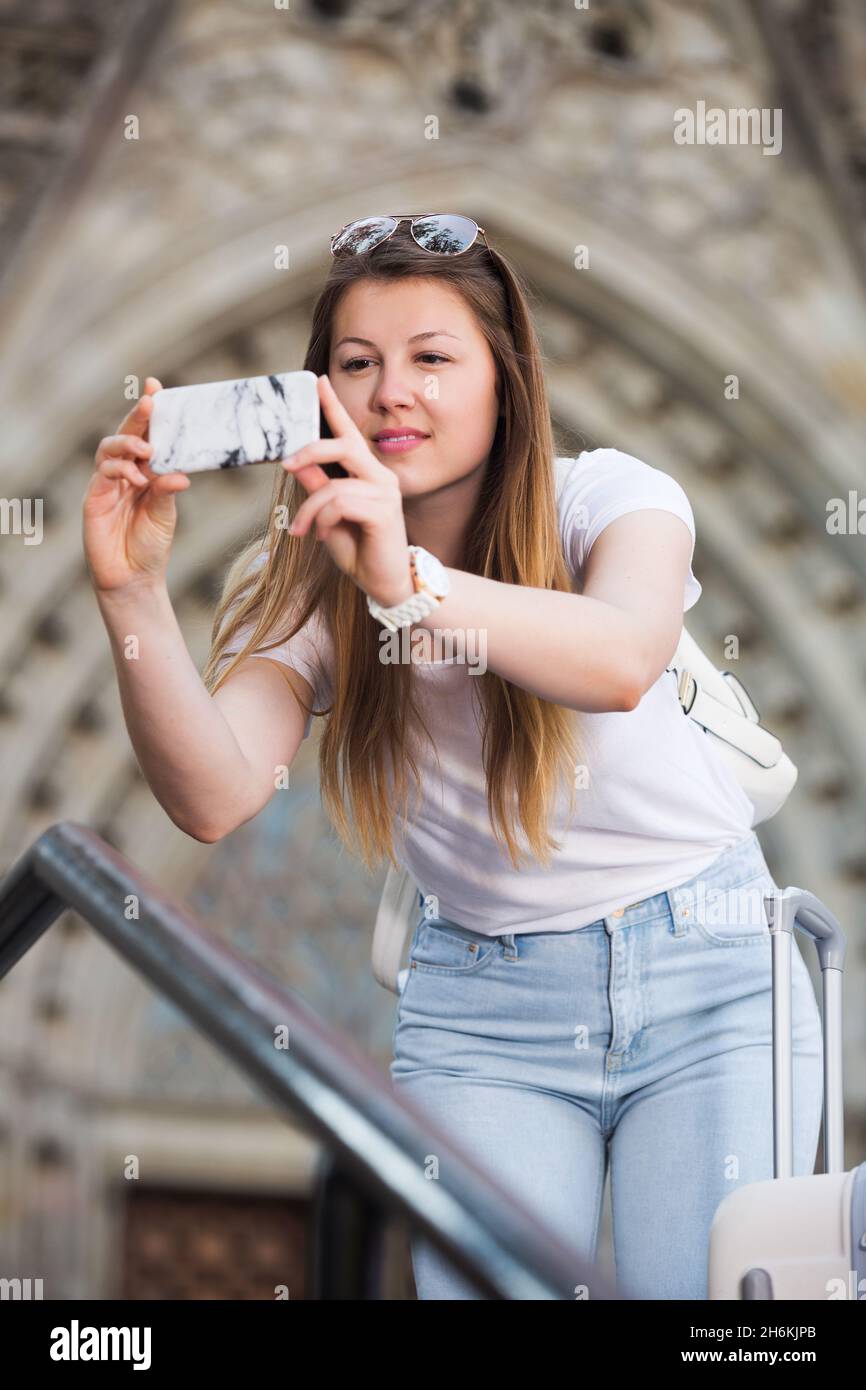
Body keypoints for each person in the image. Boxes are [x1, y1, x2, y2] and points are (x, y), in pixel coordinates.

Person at [84, 214, 823, 1300]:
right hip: (485, 1010)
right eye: (356, 363)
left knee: (717, 1313)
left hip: (707, 973)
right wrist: (129, 589)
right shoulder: (303, 580)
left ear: (503, 383)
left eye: (433, 358)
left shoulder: (608, 500)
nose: (393, 393)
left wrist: (408, 584)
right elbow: (213, 791)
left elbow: (619, 656)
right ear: (320, 390)